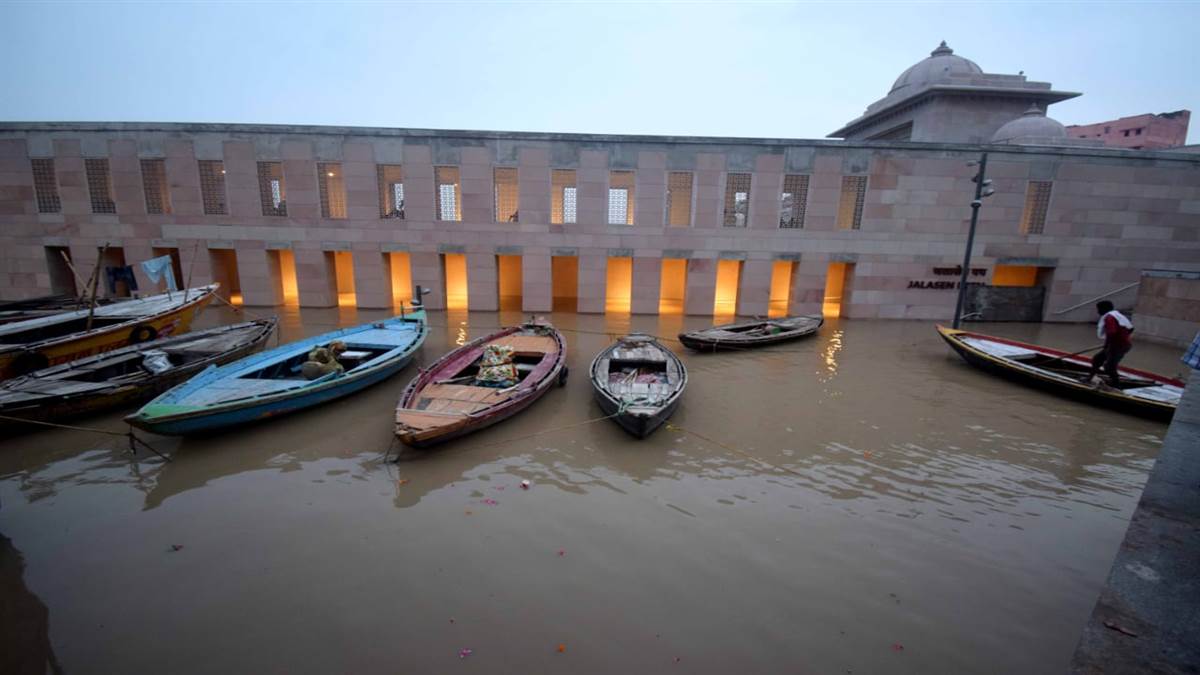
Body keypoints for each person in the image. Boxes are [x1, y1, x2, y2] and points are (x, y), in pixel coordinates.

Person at [1085, 300, 1133, 387]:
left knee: (1109, 367)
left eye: (1099, 309)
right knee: (1097, 359)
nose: (1098, 311)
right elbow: (1130, 329)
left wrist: (1108, 345)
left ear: (1104, 309)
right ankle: (1089, 378)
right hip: (1118, 344)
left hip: (1119, 346)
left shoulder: (1109, 318)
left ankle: (1116, 384)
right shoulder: (1118, 316)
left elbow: (1112, 332)